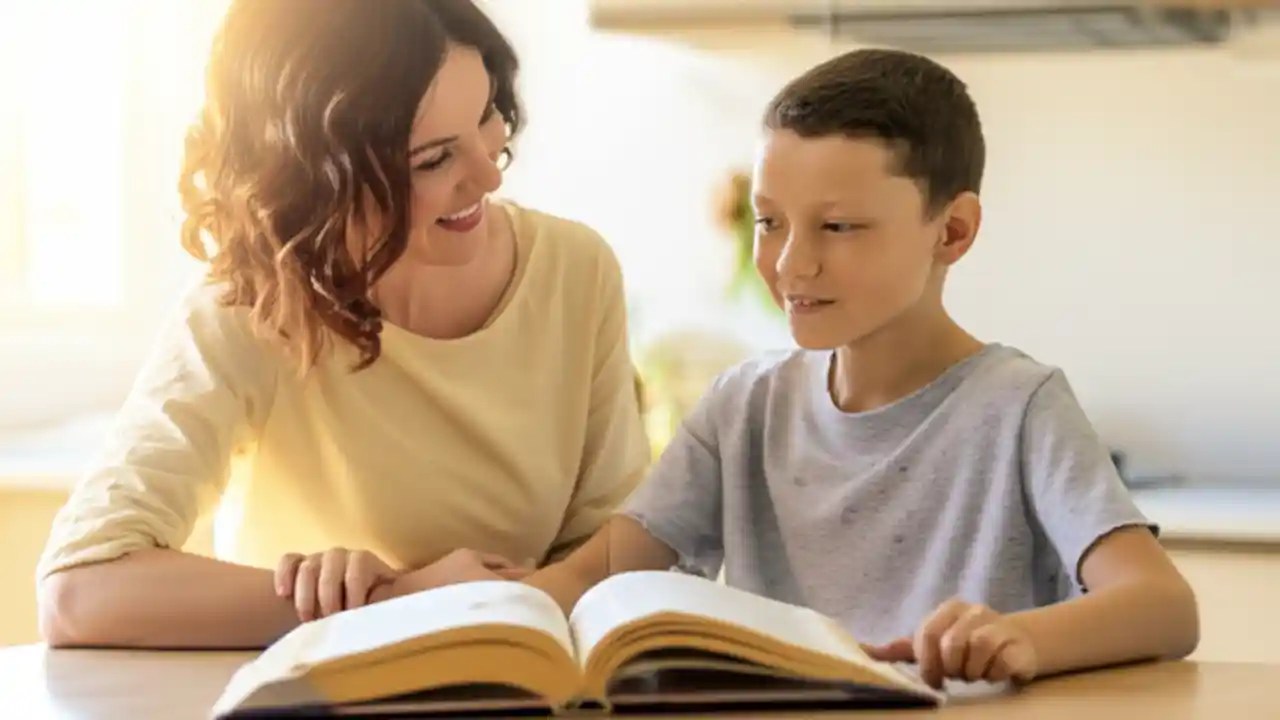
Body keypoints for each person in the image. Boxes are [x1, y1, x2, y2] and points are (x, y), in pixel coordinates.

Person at [524, 48, 1199, 689]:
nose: (791, 264)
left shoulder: (1021, 405)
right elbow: (593, 574)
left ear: (953, 232)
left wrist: (1022, 637)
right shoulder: (743, 406)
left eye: (838, 227)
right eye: (769, 223)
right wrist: (454, 605)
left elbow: (1164, 606)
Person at [37, 0, 649, 649]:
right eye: (434, 159)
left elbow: (619, 542)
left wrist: (487, 603)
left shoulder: (576, 272)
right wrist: (381, 603)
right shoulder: (252, 309)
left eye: (487, 115)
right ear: (321, 178)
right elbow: (79, 591)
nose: (487, 174)